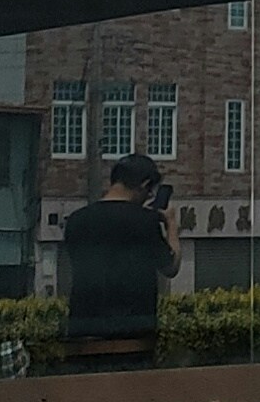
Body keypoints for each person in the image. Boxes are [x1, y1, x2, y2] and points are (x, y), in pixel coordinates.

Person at [60, 151, 176, 366]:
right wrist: (171, 225)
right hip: (133, 336)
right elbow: (171, 266)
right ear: (144, 185)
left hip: (83, 334)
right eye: (150, 191)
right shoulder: (145, 221)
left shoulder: (77, 220)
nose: (149, 196)